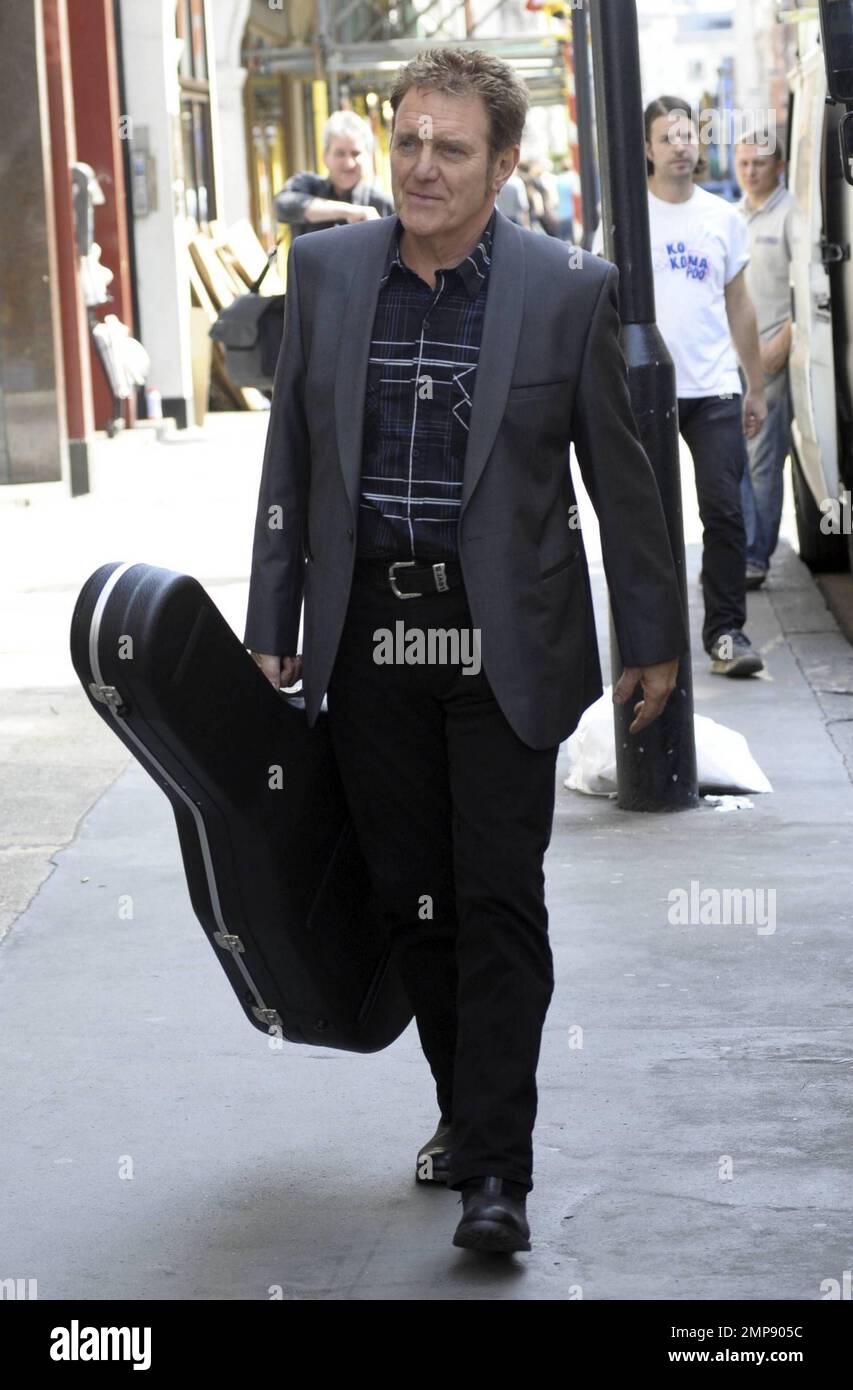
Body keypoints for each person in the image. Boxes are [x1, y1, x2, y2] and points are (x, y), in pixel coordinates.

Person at [244, 46, 688, 1256]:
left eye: (450, 148)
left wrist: (654, 638)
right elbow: (289, 459)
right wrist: (272, 624)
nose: (421, 167)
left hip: (504, 638)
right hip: (372, 637)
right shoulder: (329, 272)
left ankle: (498, 1168)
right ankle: (462, 1102)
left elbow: (621, 479)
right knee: (413, 899)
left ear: (502, 164)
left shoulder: (561, 289)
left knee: (497, 899)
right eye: (407, 142)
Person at [594, 95, 768, 678]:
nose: (682, 146)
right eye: (668, 138)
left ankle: (726, 633)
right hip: (644, 394)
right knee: (650, 522)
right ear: (646, 149)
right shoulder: (624, 217)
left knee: (723, 512)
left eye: (689, 136)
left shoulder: (723, 219)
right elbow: (600, 308)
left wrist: (755, 385)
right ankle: (654, 642)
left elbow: (740, 306)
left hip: (715, 390)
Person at [734, 132, 796, 589]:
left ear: (780, 165)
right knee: (734, 456)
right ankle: (746, 548)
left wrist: (784, 341)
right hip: (732, 357)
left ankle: (755, 557)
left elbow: (810, 286)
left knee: (763, 458)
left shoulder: (794, 214)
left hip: (774, 356)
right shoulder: (731, 218)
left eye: (759, 163)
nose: (751, 171)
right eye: (743, 163)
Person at [274, 110, 393, 240]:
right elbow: (282, 205)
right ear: (325, 157)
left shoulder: (384, 205)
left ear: (369, 157)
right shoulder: (308, 187)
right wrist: (351, 211)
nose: (348, 163)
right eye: (340, 154)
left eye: (355, 154)